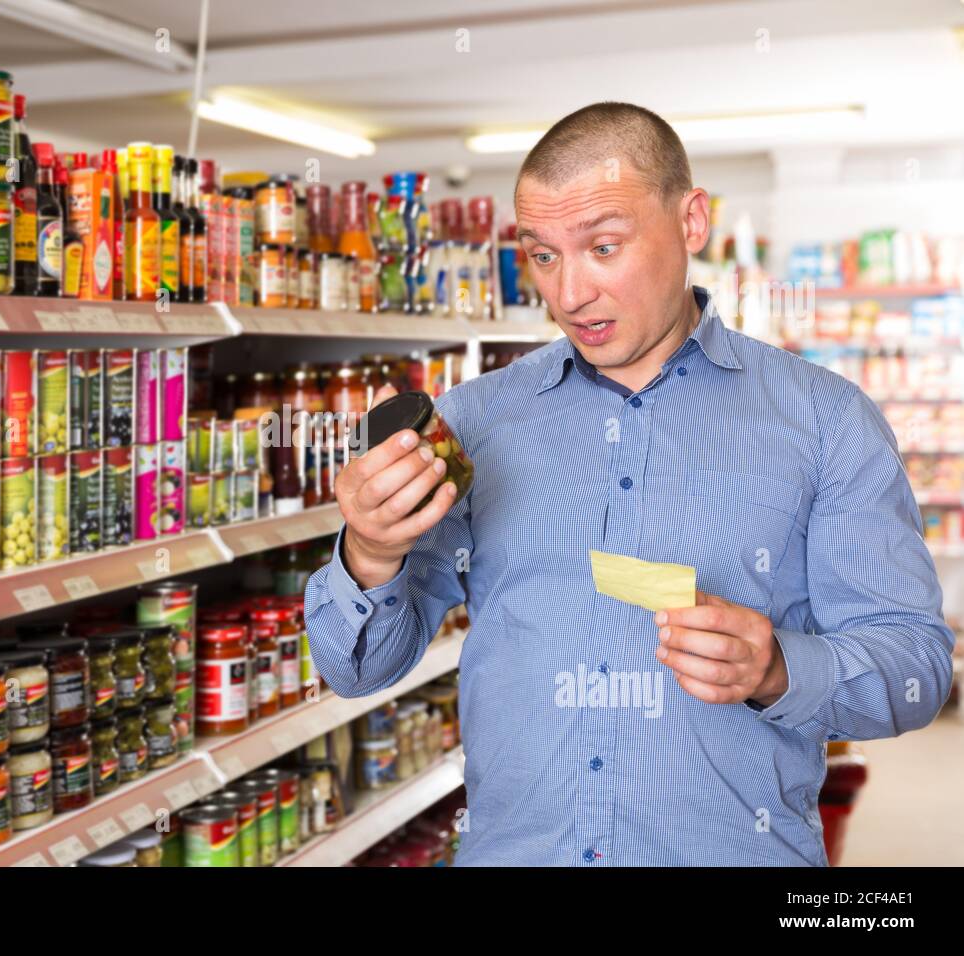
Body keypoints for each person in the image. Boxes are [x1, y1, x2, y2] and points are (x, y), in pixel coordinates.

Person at [303, 102, 955, 866]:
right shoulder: (473, 423)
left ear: (691, 223)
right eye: (541, 256)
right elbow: (353, 669)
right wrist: (371, 554)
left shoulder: (825, 422)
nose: (569, 292)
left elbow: (916, 667)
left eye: (603, 247)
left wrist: (779, 668)